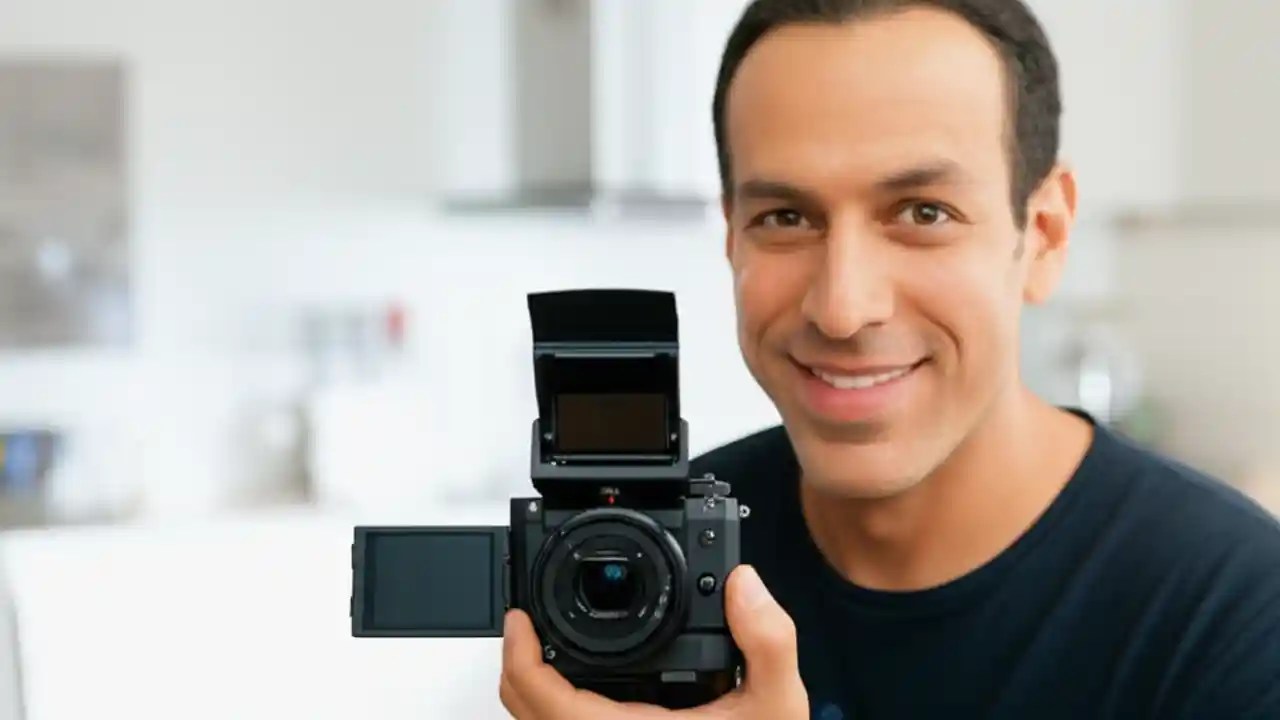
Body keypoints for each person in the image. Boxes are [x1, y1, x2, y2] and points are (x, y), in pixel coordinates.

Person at [498, 0, 1280, 717]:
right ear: (731, 234)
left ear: (1042, 235)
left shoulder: (1239, 612)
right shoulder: (639, 559)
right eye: (786, 216)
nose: (842, 307)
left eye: (922, 213)